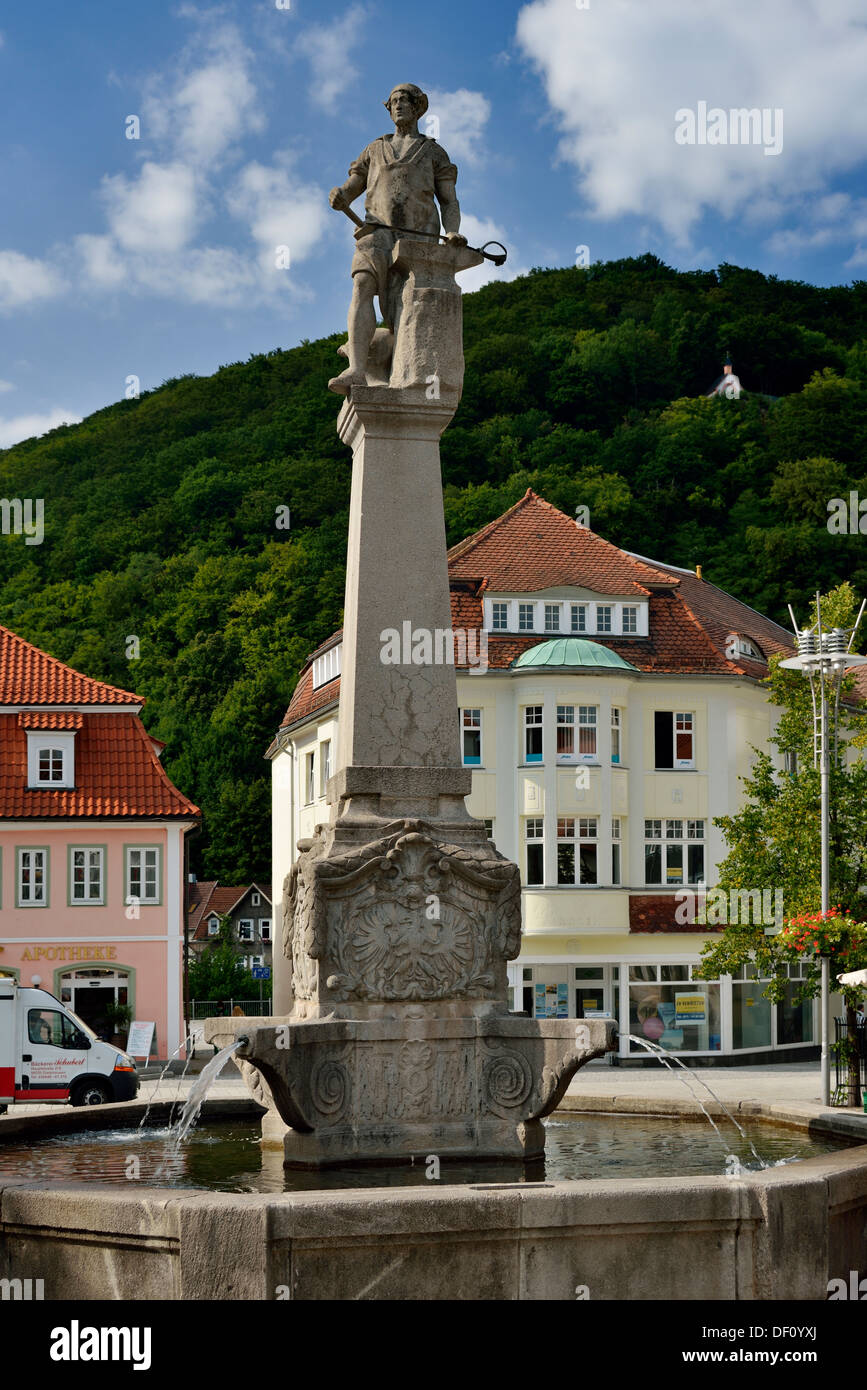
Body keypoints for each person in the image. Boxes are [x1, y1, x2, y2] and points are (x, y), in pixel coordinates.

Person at [327, 83, 466, 394]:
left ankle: (393, 364)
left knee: (404, 311)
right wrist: (341, 195)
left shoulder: (433, 152)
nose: (399, 105)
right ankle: (357, 369)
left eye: (406, 100)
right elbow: (353, 185)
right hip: (375, 232)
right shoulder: (375, 149)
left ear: (418, 108)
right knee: (362, 285)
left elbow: (449, 200)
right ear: (388, 109)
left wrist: (452, 231)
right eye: (394, 101)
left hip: (418, 241)